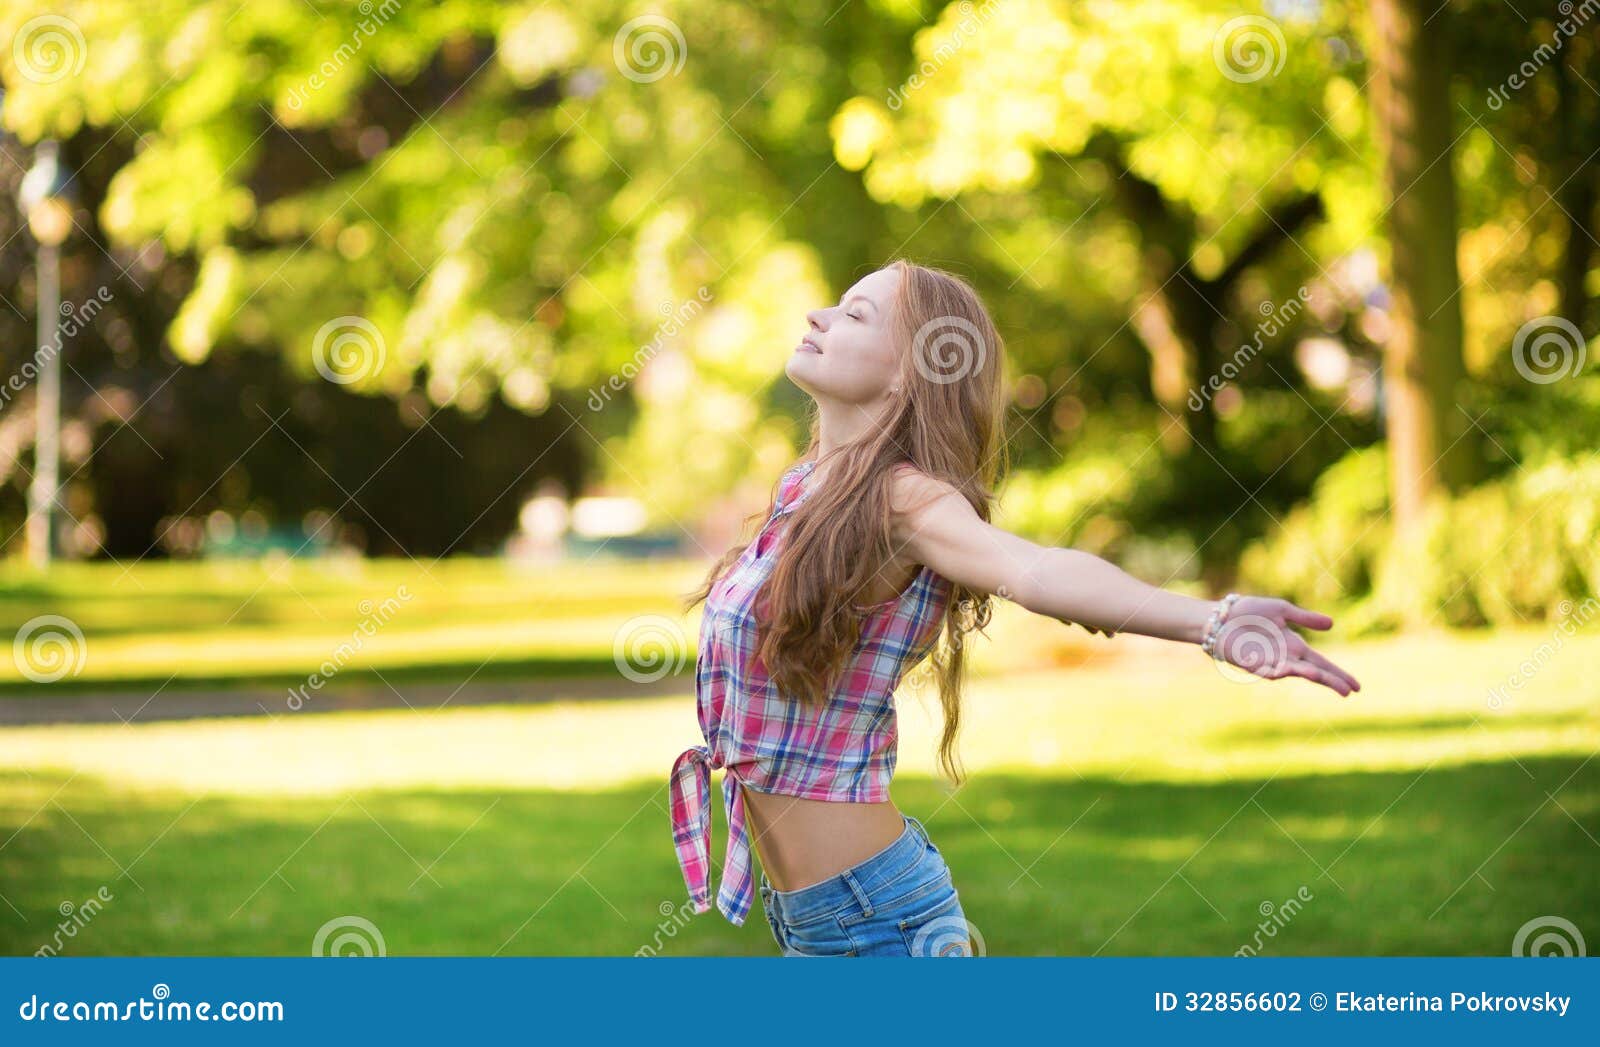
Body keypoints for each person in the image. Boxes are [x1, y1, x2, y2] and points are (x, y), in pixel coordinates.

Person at [668, 258, 1360, 957]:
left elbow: (1033, 571)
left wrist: (1211, 621)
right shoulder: (805, 491)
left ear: (913, 370)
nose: (819, 317)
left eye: (856, 315)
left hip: (877, 921)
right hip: (819, 919)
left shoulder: (901, 499)